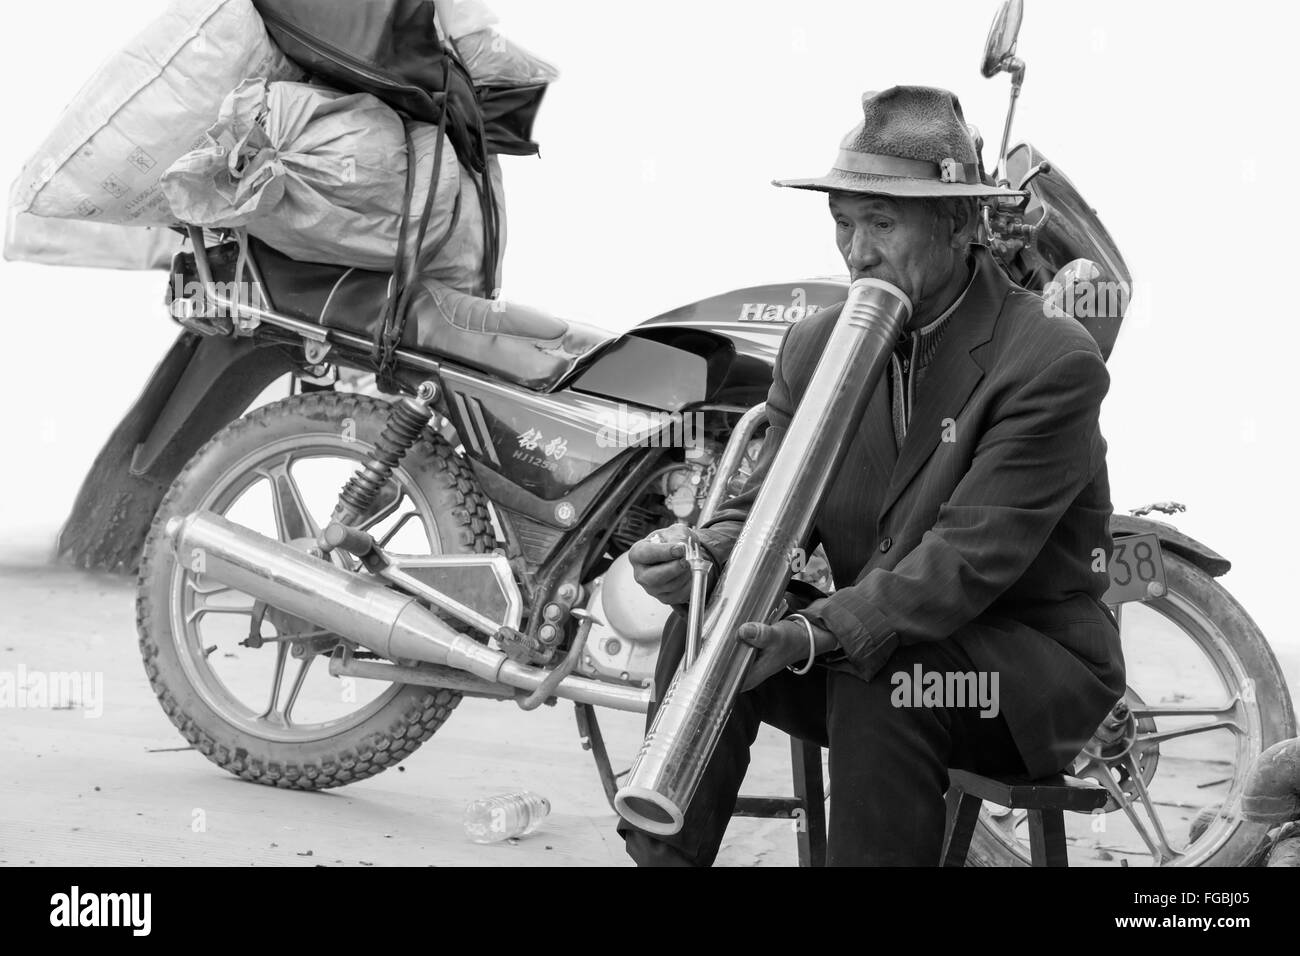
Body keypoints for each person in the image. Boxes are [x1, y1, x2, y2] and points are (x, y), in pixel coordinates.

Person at [619, 85, 1126, 866]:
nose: (857, 253)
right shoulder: (815, 344)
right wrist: (703, 552)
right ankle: (663, 856)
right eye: (844, 225)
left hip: (1021, 673)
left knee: (880, 673)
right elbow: (765, 509)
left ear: (960, 227)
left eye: (883, 224)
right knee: (711, 617)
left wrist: (811, 636)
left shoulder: (1049, 359)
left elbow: (964, 560)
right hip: (875, 648)